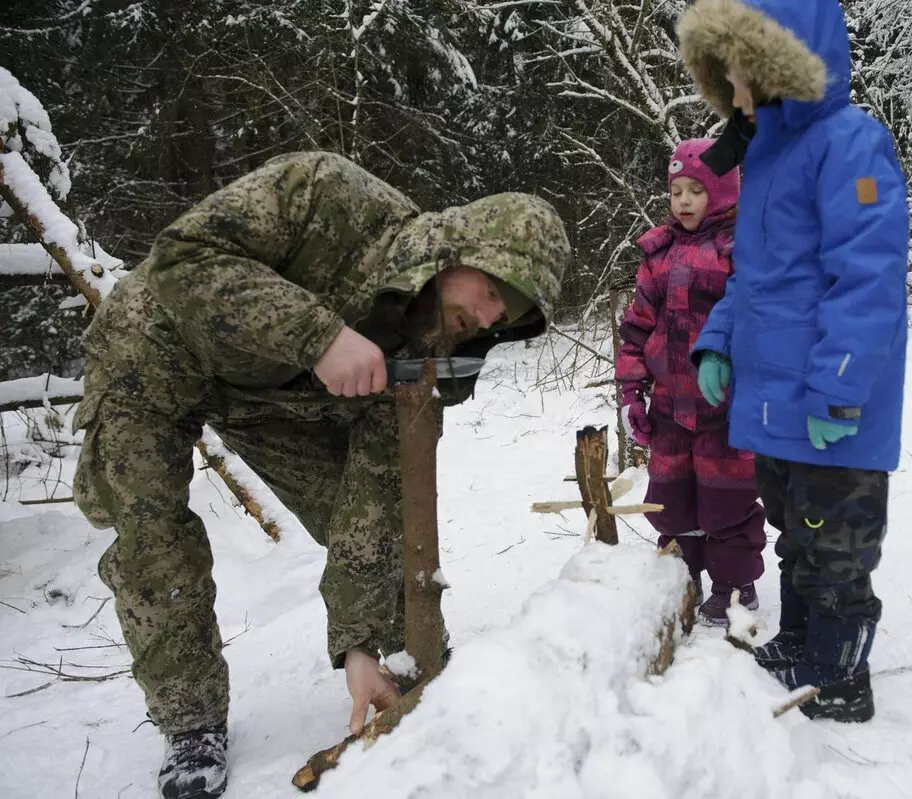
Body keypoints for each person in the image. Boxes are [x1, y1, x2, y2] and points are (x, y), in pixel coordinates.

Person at [70, 151, 569, 798]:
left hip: (273, 394)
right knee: (150, 536)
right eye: (495, 290)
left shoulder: (429, 346)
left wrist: (359, 639)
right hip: (160, 347)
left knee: (358, 510)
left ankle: (397, 658)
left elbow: (377, 491)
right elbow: (183, 258)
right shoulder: (329, 194)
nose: (490, 318)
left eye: (509, 316)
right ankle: (190, 723)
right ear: (461, 246)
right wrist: (319, 335)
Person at [677, 0, 911, 722]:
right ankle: (803, 643)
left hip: (829, 405)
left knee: (837, 544)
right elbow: (759, 276)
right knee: (797, 529)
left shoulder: (852, 144)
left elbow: (868, 276)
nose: (732, 93)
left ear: (779, 65)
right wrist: (718, 338)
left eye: (740, 74)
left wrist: (840, 389)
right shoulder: (768, 154)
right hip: (778, 405)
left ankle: (841, 678)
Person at [617, 138, 767, 628]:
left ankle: (733, 582)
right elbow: (637, 327)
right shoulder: (657, 254)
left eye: (695, 191)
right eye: (676, 190)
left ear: (722, 193)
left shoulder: (742, 249)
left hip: (727, 406)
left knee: (728, 499)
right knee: (671, 499)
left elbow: (760, 318)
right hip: (670, 405)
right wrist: (630, 392)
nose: (682, 201)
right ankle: (684, 575)